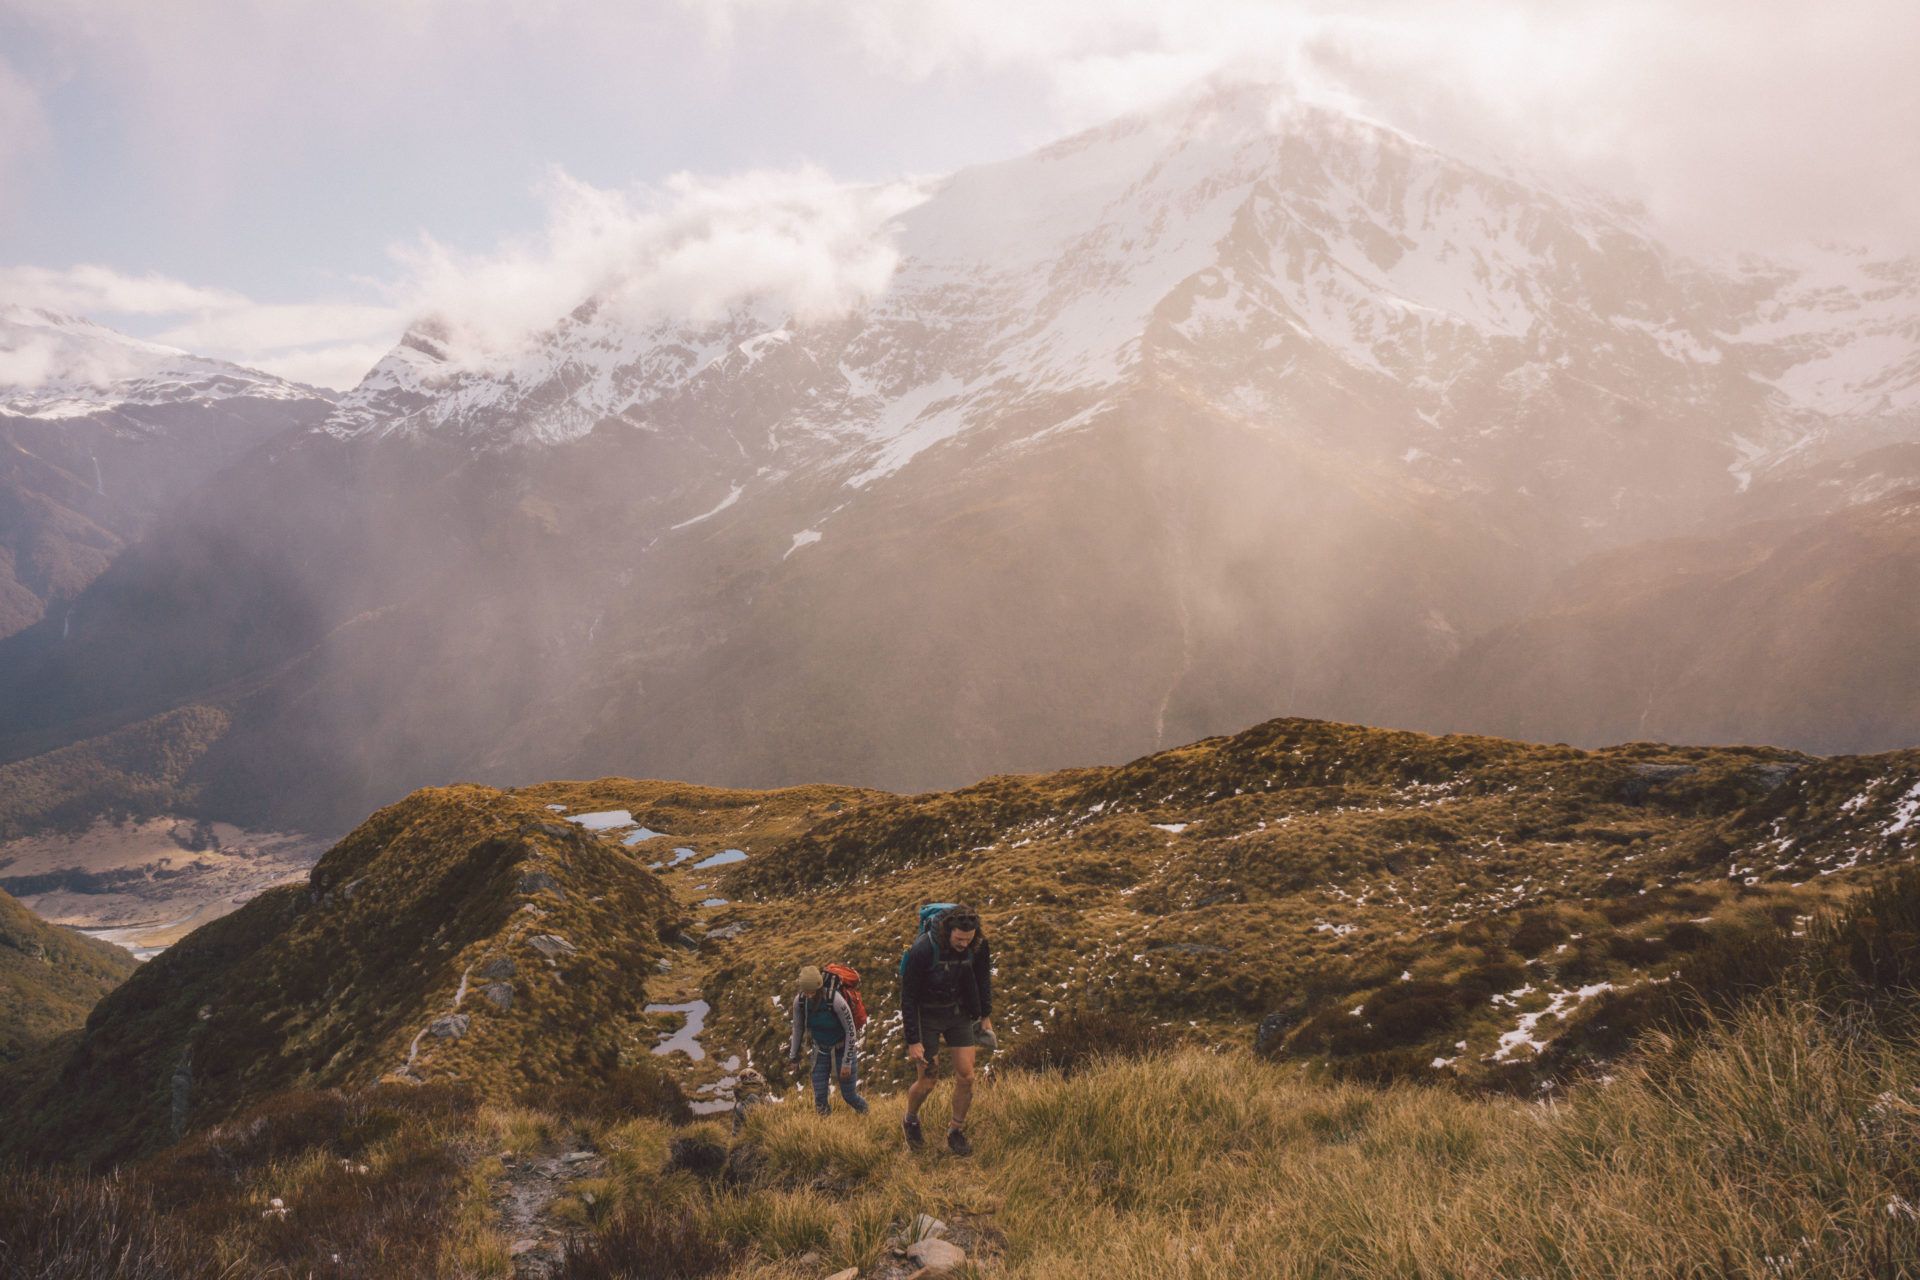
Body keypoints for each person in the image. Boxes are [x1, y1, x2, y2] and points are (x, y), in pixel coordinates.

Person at [899, 904, 993, 1155]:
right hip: (926, 1016)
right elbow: (907, 997)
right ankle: (910, 1119)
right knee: (928, 1080)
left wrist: (985, 1016)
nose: (964, 944)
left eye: (968, 939)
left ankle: (955, 1131)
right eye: (959, 939)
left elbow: (983, 978)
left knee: (967, 1076)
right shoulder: (924, 949)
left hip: (957, 1013)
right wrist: (913, 1040)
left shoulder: (978, 946)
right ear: (948, 931)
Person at [787, 965, 868, 1116]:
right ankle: (826, 1127)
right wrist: (793, 1057)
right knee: (820, 1098)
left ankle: (866, 1114)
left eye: (812, 991)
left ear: (819, 987)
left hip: (843, 1047)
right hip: (820, 1048)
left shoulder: (835, 999)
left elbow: (851, 1031)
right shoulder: (799, 1002)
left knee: (849, 1096)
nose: (809, 995)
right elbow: (797, 1029)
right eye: (806, 991)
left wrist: (846, 1062)